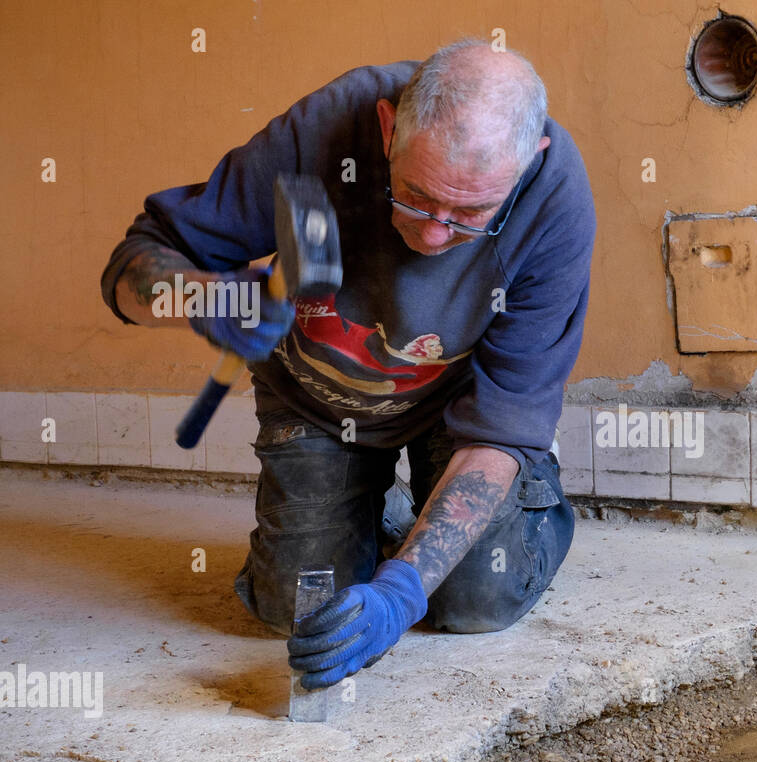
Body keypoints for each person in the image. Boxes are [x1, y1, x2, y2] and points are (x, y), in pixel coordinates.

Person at [99, 38, 596, 688]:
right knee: (295, 613)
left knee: (476, 602)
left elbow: (499, 432)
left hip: (461, 410)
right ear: (390, 128)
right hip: (320, 398)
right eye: (416, 196)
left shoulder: (556, 200)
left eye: (472, 213)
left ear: (530, 161)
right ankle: (385, 511)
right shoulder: (320, 131)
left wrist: (404, 591)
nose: (435, 234)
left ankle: (517, 505)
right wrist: (202, 296)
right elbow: (130, 270)